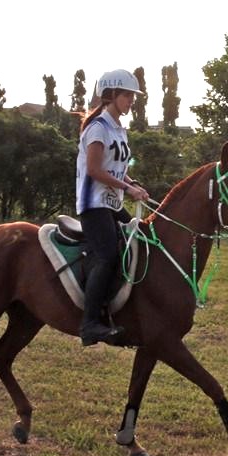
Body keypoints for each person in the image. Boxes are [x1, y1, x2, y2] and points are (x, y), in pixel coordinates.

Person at [75, 69, 151, 346]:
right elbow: (95, 170)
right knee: (107, 256)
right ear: (111, 95)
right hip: (93, 205)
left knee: (140, 239)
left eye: (133, 96)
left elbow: (116, 168)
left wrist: (132, 183)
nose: (132, 100)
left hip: (112, 203)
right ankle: (90, 324)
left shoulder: (119, 129)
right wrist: (127, 188)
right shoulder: (98, 128)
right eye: (127, 95)